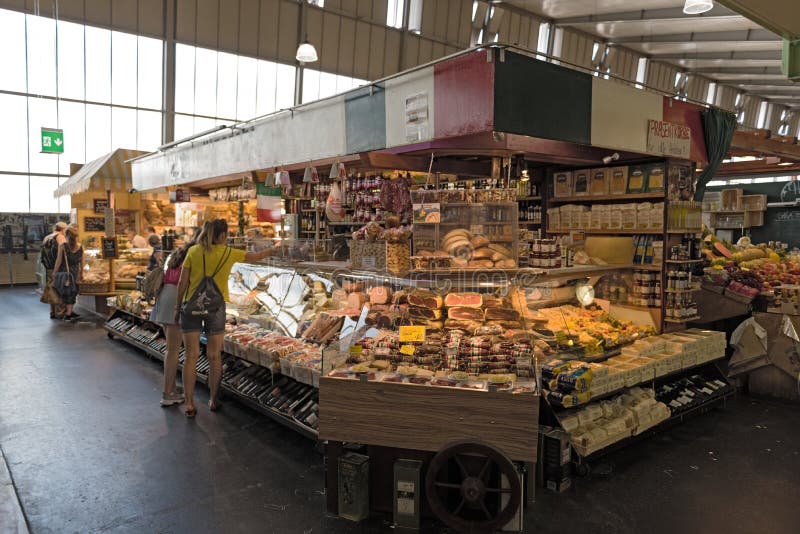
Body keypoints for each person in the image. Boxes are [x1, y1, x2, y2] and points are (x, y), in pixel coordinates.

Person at [175, 219, 274, 418]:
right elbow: (256, 257)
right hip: (216, 308)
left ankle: (189, 403)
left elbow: (182, 283)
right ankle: (213, 399)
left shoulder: (193, 252)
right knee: (214, 356)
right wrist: (275, 249)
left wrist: (178, 307)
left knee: (191, 356)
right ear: (222, 236)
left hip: (192, 306)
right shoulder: (229, 253)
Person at [149, 236, 198, 407]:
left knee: (172, 350)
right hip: (175, 299)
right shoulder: (193, 256)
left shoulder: (177, 254)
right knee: (173, 351)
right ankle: (167, 394)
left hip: (164, 297)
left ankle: (170, 388)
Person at [52, 225, 84, 320]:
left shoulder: (63, 246)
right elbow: (82, 263)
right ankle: (69, 312)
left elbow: (58, 261)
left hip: (64, 272)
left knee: (64, 292)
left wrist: (54, 272)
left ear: (66, 235)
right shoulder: (81, 247)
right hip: (74, 273)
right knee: (73, 292)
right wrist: (81, 274)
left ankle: (67, 313)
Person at [40, 222, 67, 319]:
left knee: (51, 289)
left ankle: (52, 311)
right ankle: (60, 312)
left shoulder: (47, 237)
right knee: (59, 289)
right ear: (63, 229)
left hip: (48, 267)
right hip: (58, 267)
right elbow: (62, 251)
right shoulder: (60, 237)